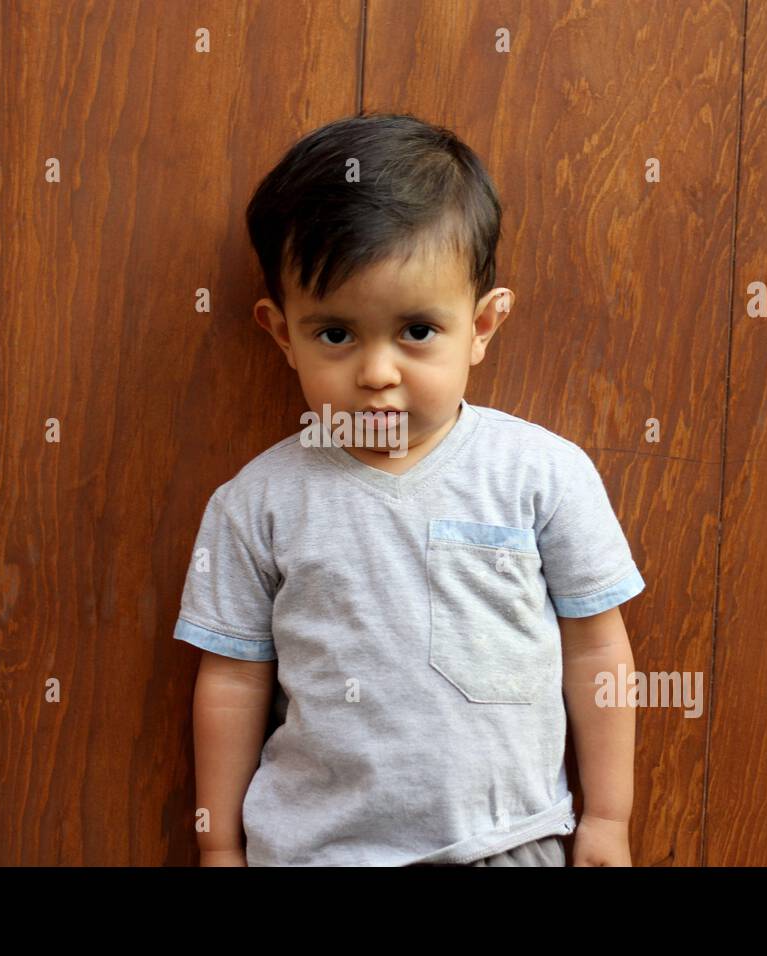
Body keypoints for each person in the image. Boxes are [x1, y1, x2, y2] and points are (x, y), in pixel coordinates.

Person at [175, 113, 645, 866]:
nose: (377, 372)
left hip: (509, 840)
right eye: (335, 334)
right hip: (315, 851)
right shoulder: (255, 505)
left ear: (484, 326)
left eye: (418, 330)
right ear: (280, 333)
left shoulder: (539, 475)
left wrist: (608, 819)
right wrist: (219, 846)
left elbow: (597, 652)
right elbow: (231, 680)